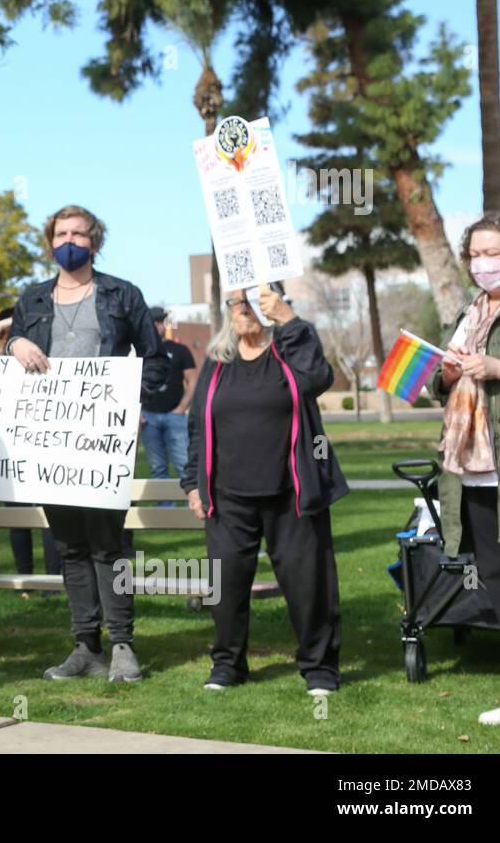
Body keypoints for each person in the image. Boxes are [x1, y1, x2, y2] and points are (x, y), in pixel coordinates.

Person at [7, 205, 167, 683]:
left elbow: (155, 361)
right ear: (50, 240)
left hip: (104, 445)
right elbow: (13, 355)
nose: (70, 239)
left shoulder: (122, 294)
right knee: (70, 547)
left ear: (94, 241)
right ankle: (84, 646)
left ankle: (122, 645)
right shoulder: (32, 301)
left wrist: (128, 405)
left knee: (109, 544)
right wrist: (15, 343)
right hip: (52, 447)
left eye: (79, 233)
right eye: (62, 233)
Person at [181, 285, 347, 694]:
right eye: (235, 302)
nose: (243, 309)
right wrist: (192, 483)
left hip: (291, 490)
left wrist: (290, 321)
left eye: (252, 301)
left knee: (309, 583)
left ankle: (319, 668)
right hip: (228, 496)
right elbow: (198, 426)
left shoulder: (290, 352)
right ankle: (228, 664)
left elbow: (319, 377)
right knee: (227, 584)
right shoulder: (217, 362)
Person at [429, 213, 500, 726]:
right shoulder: (470, 311)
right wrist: (444, 373)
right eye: (476, 255)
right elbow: (437, 387)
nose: (483, 264)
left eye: (493, 253)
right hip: (473, 465)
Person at [0, 307, 61, 578]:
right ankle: (25, 575)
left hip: (44, 445)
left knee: (49, 518)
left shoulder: (42, 357)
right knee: (18, 518)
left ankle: (53, 576)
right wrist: (2, 326)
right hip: (11, 450)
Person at [140, 306, 196, 484]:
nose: (157, 326)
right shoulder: (140, 352)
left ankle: (191, 509)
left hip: (175, 415)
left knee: (184, 466)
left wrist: (182, 408)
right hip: (148, 416)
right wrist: (137, 411)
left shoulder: (180, 350)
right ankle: (164, 510)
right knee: (158, 470)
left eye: (159, 322)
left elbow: (193, 380)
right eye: (153, 322)